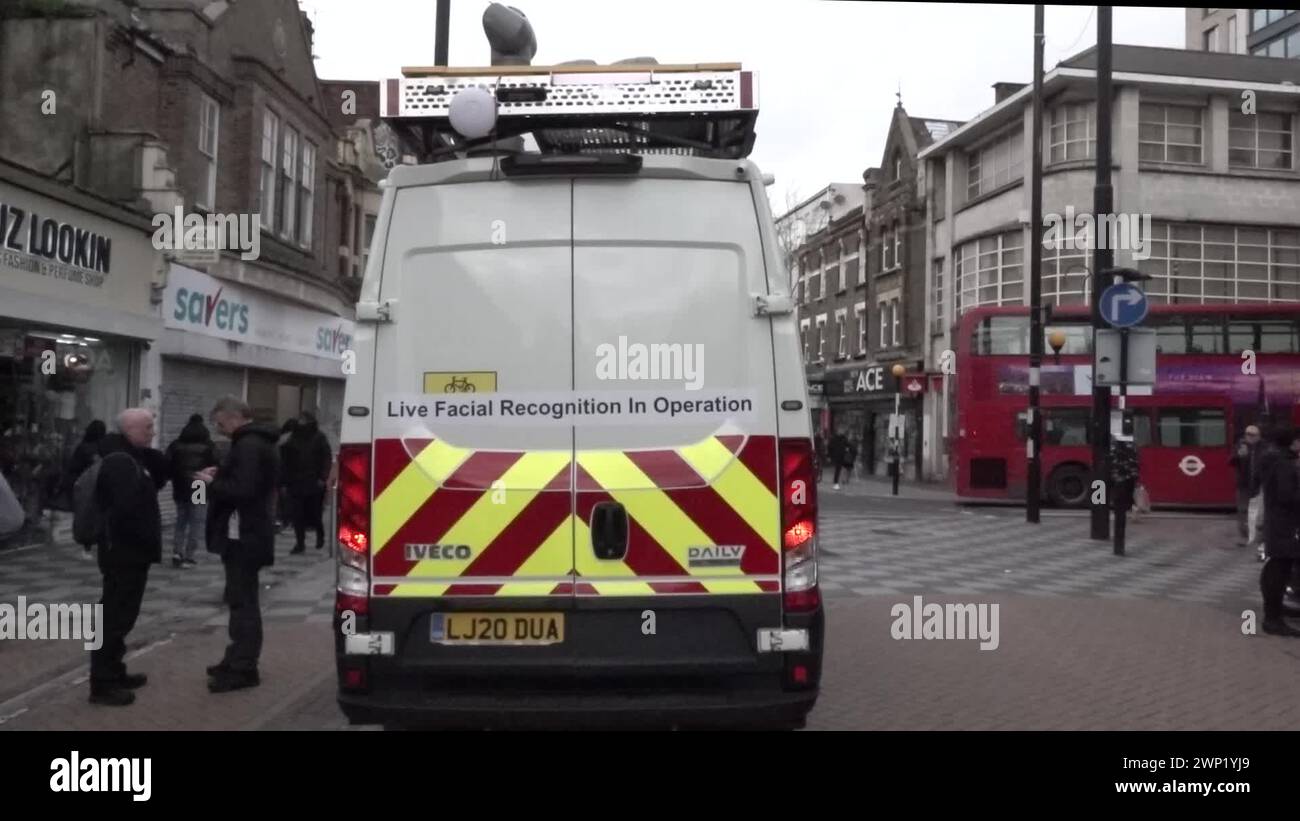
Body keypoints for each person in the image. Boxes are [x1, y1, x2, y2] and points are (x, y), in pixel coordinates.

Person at [198, 397, 280, 692]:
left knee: (243, 602)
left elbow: (243, 490)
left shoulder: (248, 445)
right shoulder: (257, 443)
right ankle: (237, 658)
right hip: (248, 533)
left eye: (220, 424)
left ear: (233, 418)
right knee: (240, 600)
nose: (219, 430)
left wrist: (212, 484)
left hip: (243, 536)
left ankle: (244, 666)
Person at [89, 408, 170, 706]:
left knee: (123, 614)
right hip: (122, 551)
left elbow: (158, 478)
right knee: (113, 616)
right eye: (147, 427)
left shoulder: (134, 457)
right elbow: (126, 509)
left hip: (132, 551)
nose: (152, 432)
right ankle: (102, 683)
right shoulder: (120, 462)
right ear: (129, 430)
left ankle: (115, 670)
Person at [1257, 427, 1300, 637]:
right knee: (1279, 571)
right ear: (1292, 442)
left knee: (1275, 569)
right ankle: (1273, 620)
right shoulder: (1284, 464)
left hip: (1277, 524)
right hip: (1284, 525)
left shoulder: (1274, 460)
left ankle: (1273, 615)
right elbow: (1287, 496)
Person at [164, 414, 217, 568]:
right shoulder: (208, 446)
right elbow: (216, 464)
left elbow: (167, 464)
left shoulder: (176, 445)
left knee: (181, 521)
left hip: (180, 485)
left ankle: (177, 552)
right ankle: (189, 555)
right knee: (196, 522)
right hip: (199, 484)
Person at [280, 411, 332, 553]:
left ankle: (320, 535)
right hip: (295, 482)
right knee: (297, 515)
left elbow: (326, 458)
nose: (301, 422)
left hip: (314, 481)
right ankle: (300, 543)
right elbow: (285, 461)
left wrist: (323, 477)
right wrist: (284, 481)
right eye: (300, 419)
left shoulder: (319, 437)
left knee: (315, 513)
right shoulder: (292, 438)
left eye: (304, 420)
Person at [62, 419, 106, 559]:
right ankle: (90, 544)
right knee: (93, 515)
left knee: (84, 515)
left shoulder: (83, 446)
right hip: (90, 485)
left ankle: (86, 545)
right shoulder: (96, 448)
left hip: (81, 485)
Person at [1229, 425, 1263, 548]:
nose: (1250, 437)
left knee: (1259, 511)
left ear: (1259, 436)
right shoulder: (1240, 446)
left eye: (1253, 435)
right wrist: (1239, 455)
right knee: (1243, 510)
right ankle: (1245, 535)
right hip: (1243, 484)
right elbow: (1230, 461)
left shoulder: (1263, 447)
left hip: (1259, 484)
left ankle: (1258, 536)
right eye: (1248, 434)